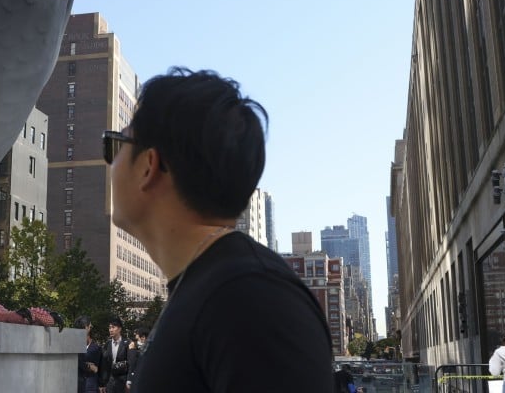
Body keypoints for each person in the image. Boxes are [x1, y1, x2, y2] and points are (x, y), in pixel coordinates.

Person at [104, 68, 334, 391]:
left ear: (148, 165)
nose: (109, 165)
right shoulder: (217, 288)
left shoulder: (252, 299)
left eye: (114, 146)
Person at [99, 316, 130, 393]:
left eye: (113, 327)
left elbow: (131, 364)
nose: (111, 330)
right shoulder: (107, 344)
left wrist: (129, 381)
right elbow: (104, 365)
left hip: (123, 382)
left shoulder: (127, 343)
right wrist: (102, 383)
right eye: (109, 328)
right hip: (110, 382)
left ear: (119, 329)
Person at [74, 315, 101, 393]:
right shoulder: (73, 344)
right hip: (77, 384)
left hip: (91, 386)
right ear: (86, 327)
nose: (91, 327)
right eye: (90, 325)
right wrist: (88, 366)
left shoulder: (96, 347)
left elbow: (97, 367)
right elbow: (77, 361)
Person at [126, 325, 149, 390]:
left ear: (143, 337)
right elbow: (130, 364)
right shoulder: (134, 346)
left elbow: (132, 362)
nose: (136, 340)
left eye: (137, 336)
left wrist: (132, 350)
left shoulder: (148, 348)